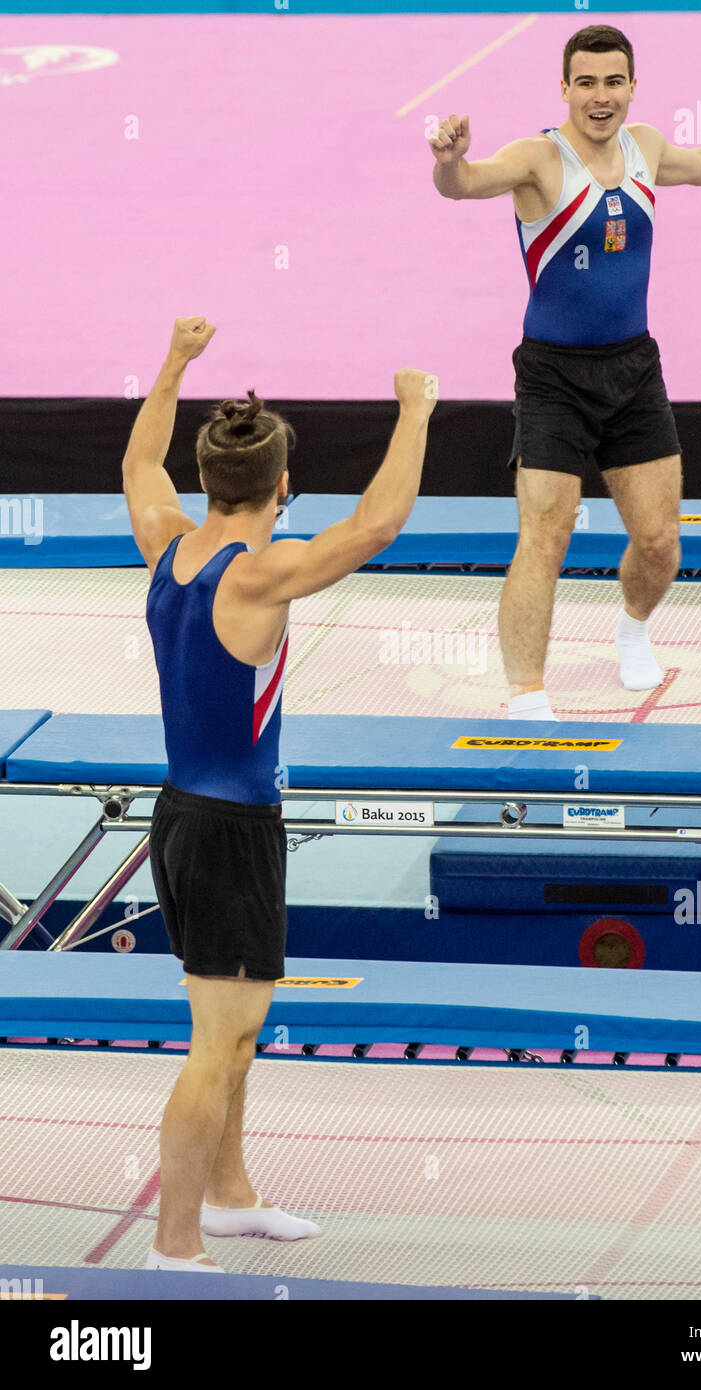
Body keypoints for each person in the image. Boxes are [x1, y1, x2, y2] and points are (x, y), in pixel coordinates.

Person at [122, 315, 437, 1270]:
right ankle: (175, 1252)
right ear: (283, 489)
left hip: (182, 816)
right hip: (228, 831)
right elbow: (377, 526)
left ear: (207, 481)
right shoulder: (258, 580)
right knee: (217, 1046)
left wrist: (174, 364)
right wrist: (417, 410)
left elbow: (140, 465)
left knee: (236, 1029)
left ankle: (226, 1195)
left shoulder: (167, 542)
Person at [430, 24, 701, 720]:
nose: (600, 98)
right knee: (545, 533)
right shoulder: (538, 158)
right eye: (586, 83)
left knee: (661, 542)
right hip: (552, 378)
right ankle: (526, 696)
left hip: (635, 371)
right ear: (565, 89)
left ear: (632, 87)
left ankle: (632, 629)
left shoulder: (647, 146)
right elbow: (463, 186)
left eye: (613, 83)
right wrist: (450, 161)